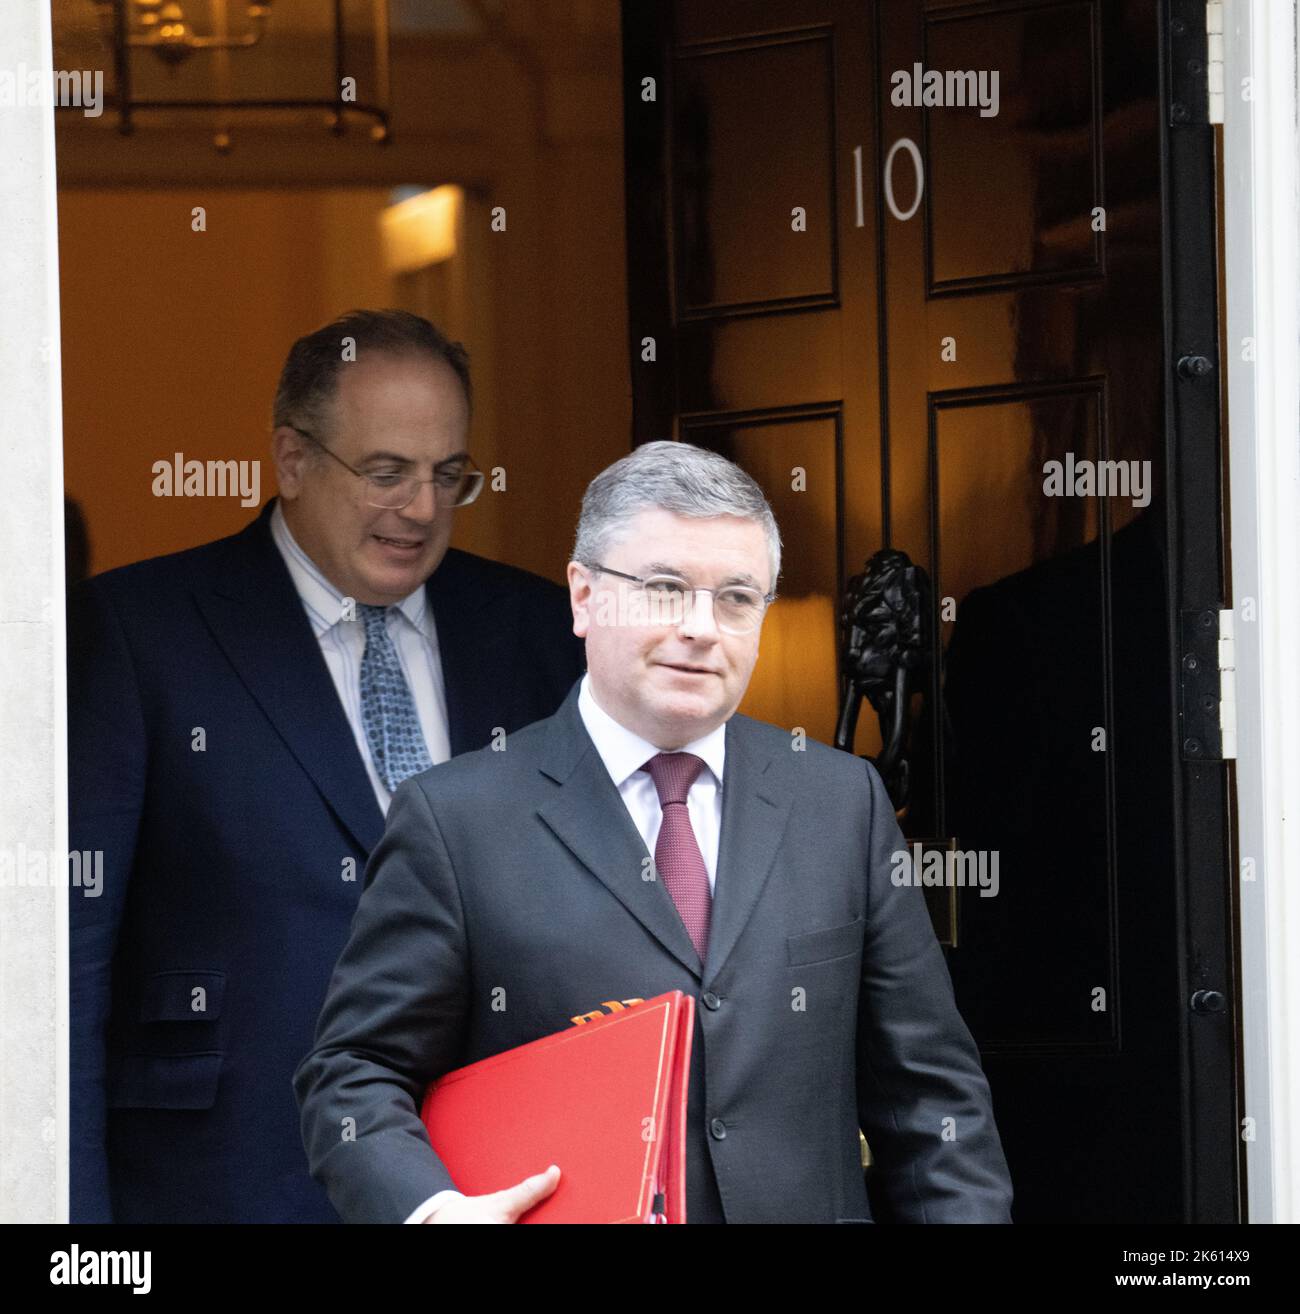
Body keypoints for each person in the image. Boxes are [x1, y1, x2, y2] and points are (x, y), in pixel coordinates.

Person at [294, 440, 1013, 1224]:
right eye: (666, 589)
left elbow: (930, 1097)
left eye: (736, 598)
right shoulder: (456, 820)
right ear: (584, 597)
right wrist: (433, 1210)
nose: (701, 628)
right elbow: (353, 1072)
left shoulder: (842, 802)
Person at [68, 310, 585, 1222]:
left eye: (448, 475)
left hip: (494, 1179)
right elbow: (71, 957)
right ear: (293, 458)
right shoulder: (141, 631)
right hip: (232, 1179)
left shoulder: (537, 631)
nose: (421, 509)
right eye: (386, 473)